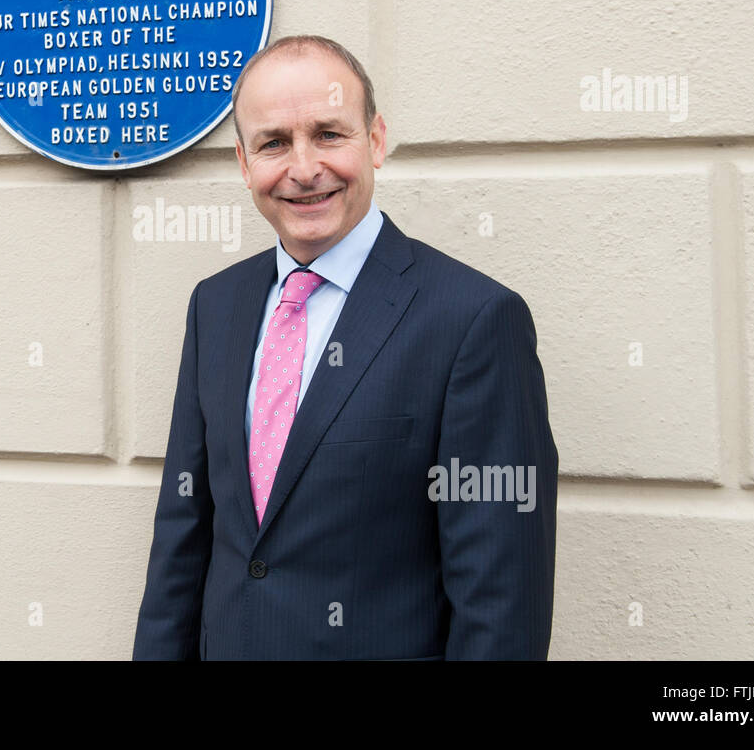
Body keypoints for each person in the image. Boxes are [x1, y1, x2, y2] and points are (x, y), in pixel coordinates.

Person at [132, 34, 558, 660]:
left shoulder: (474, 320)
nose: (304, 169)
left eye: (329, 134)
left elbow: (503, 599)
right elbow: (182, 533)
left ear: (376, 140)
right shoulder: (215, 306)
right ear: (245, 163)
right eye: (274, 142)